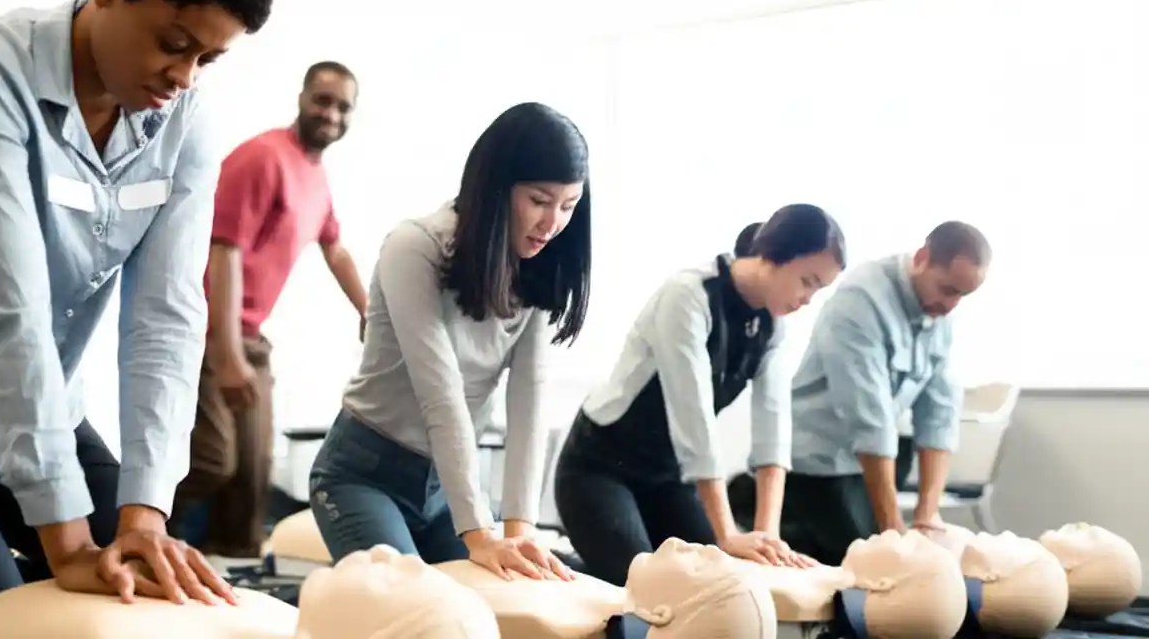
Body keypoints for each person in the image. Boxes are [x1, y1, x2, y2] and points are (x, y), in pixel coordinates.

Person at [0, 0, 274, 635]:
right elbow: (11, 312)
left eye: (208, 59)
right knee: (9, 623)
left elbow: (167, 319)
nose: (183, 77)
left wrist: (145, 511)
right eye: (174, 44)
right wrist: (69, 543)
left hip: (46, 411)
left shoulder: (185, 119)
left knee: (167, 589)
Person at [308, 102, 591, 582]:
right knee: (416, 611)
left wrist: (518, 528)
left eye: (568, 206)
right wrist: (479, 535)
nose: (552, 224)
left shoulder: (540, 264)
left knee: (504, 596)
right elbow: (440, 394)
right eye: (540, 201)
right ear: (498, 187)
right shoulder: (414, 246)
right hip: (364, 474)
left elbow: (530, 400)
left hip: (444, 487)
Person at [553, 205, 846, 586]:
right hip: (599, 469)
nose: (808, 299)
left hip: (667, 478)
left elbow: (774, 430)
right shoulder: (689, 295)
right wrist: (726, 535)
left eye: (818, 289)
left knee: (716, 583)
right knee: (647, 584)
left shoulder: (772, 326)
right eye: (807, 281)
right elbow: (694, 421)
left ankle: (592, 561)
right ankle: (567, 565)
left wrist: (766, 537)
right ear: (775, 255)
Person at [171, 60, 368, 559]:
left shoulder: (315, 177)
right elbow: (224, 250)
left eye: (343, 106)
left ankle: (228, 577)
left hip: (252, 336)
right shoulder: (263, 157)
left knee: (252, 482)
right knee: (214, 461)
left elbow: (336, 248)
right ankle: (127, 530)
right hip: (212, 328)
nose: (331, 113)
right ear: (302, 98)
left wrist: (372, 313)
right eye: (322, 100)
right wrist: (226, 352)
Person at [731, 221, 991, 566]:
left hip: (874, 459)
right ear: (923, 258)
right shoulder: (861, 299)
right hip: (815, 467)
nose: (951, 304)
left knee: (904, 555)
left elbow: (939, 415)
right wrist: (892, 533)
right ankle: (747, 499)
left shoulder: (940, 311)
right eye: (947, 289)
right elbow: (869, 419)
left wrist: (928, 516)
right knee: (864, 564)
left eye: (962, 295)